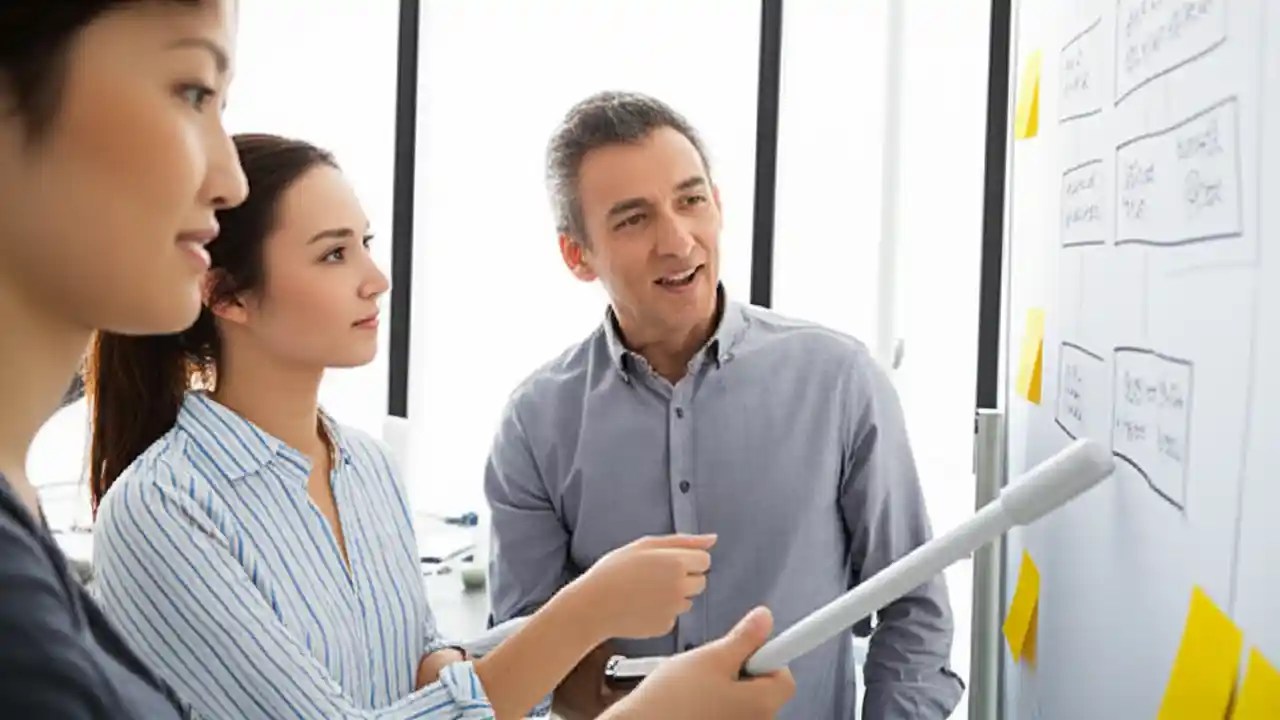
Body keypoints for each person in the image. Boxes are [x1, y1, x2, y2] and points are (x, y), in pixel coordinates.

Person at [0, 4, 791, 719]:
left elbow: (425, 672)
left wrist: (519, 650)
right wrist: (586, 616)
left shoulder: (366, 469)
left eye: (366, 244)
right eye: (334, 253)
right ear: (228, 295)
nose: (375, 278)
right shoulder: (164, 506)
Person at [485, 90, 966, 719]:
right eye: (633, 219)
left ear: (718, 203)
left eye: (691, 200)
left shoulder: (838, 381)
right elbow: (522, 662)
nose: (678, 241)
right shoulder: (534, 425)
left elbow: (914, 609)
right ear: (577, 254)